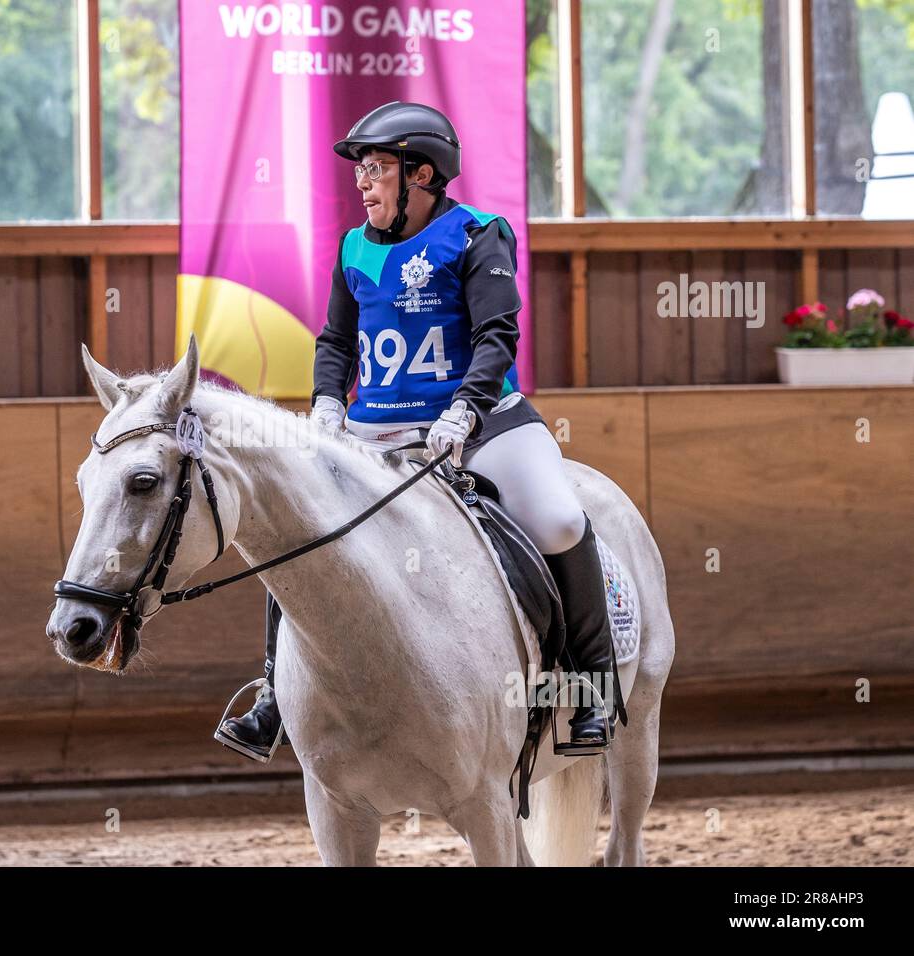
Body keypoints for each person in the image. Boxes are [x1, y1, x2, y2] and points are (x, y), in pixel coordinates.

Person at [215, 101, 626, 762]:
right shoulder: (353, 248)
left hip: (483, 424)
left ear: (423, 174)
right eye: (362, 173)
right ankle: (273, 696)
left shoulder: (476, 235)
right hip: (373, 435)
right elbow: (335, 341)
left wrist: (463, 409)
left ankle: (592, 688)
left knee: (556, 522)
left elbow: (497, 336)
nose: (363, 183)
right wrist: (325, 403)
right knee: (298, 526)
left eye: (376, 170)